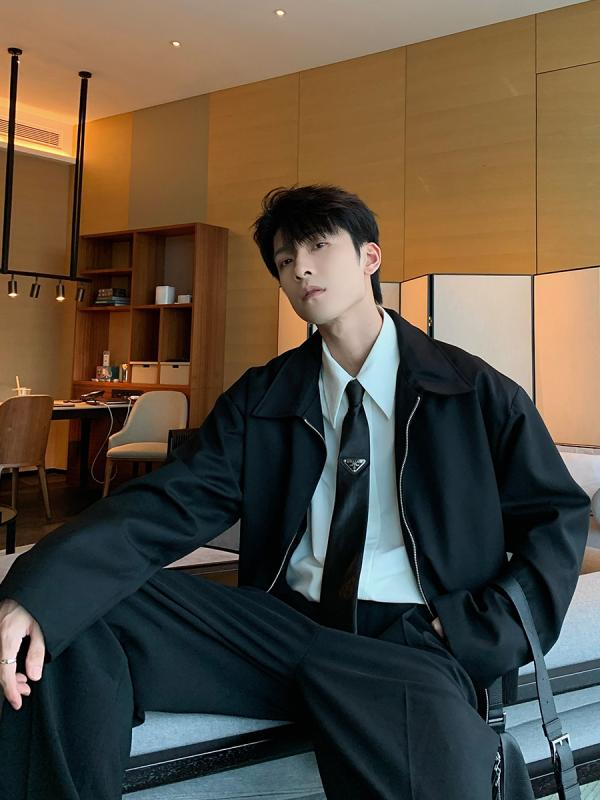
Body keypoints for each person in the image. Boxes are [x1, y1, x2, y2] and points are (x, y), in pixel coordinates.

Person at [0, 185, 590, 800]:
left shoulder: (472, 391)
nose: (301, 268)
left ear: (369, 257)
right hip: (282, 632)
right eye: (285, 260)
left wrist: (475, 629)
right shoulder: (263, 397)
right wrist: (36, 591)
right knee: (71, 608)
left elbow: (556, 517)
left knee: (435, 759)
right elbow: (168, 504)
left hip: (411, 641)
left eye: (318, 247)